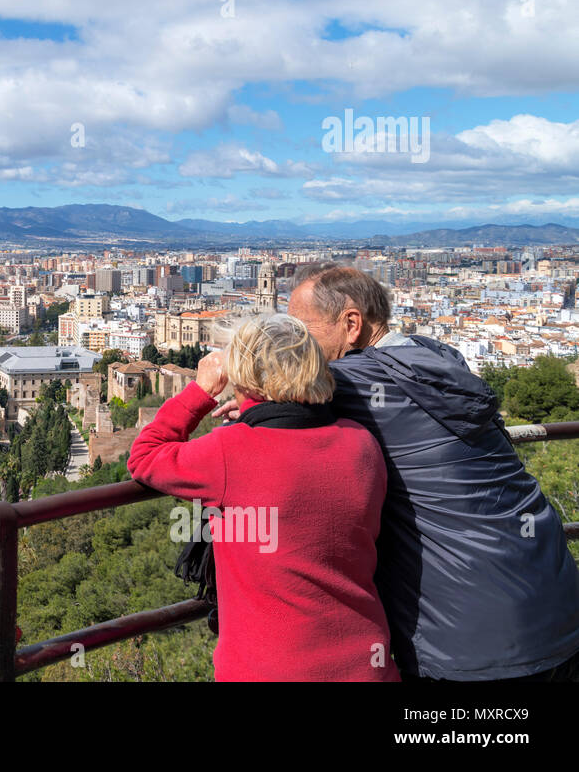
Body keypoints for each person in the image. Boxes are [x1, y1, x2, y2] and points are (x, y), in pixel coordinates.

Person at [288, 262, 579, 681]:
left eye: (301, 329)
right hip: (557, 605)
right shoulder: (438, 360)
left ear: (351, 324)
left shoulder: (351, 383)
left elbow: (273, 401)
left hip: (474, 644)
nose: (295, 344)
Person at [127, 313, 398, 681]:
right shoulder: (362, 444)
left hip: (267, 669)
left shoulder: (230, 451)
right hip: (367, 664)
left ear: (242, 376)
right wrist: (261, 412)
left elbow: (144, 456)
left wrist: (202, 391)